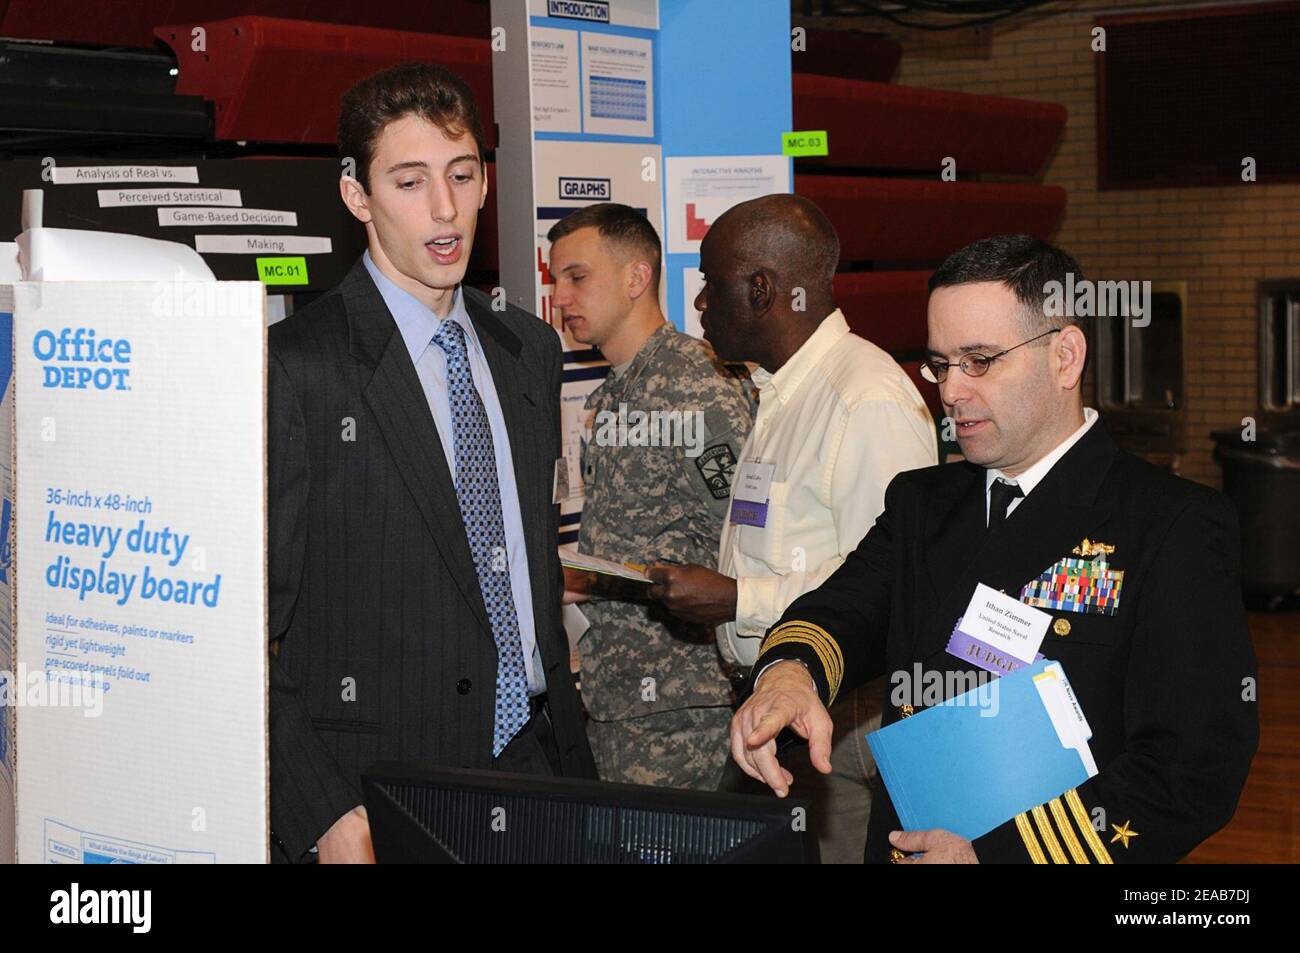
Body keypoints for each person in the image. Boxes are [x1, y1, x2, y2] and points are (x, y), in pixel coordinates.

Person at [733, 234, 1259, 863]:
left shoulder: (1170, 525)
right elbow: (841, 610)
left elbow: (1192, 766)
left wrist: (998, 857)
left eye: (979, 360)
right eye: (939, 364)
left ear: (1065, 358)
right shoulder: (923, 502)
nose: (951, 391)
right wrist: (789, 674)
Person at [267, 62, 595, 864]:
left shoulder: (529, 349)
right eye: (410, 182)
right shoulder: (298, 365)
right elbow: (242, 633)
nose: (445, 210)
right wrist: (322, 810)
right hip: (380, 796)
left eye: (461, 175)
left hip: (539, 768)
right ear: (357, 197)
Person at [648, 194, 937, 861]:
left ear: (761, 289)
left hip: (841, 726)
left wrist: (737, 598)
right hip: (782, 705)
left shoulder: (863, 398)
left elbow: (888, 584)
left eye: (709, 287)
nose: (699, 306)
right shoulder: (782, 391)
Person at [550, 203, 754, 789]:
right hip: (622, 698)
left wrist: (610, 577)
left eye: (577, 277)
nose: (561, 298)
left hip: (684, 709)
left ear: (637, 278)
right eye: (555, 280)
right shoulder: (614, 391)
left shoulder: (696, 383)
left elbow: (738, 540)